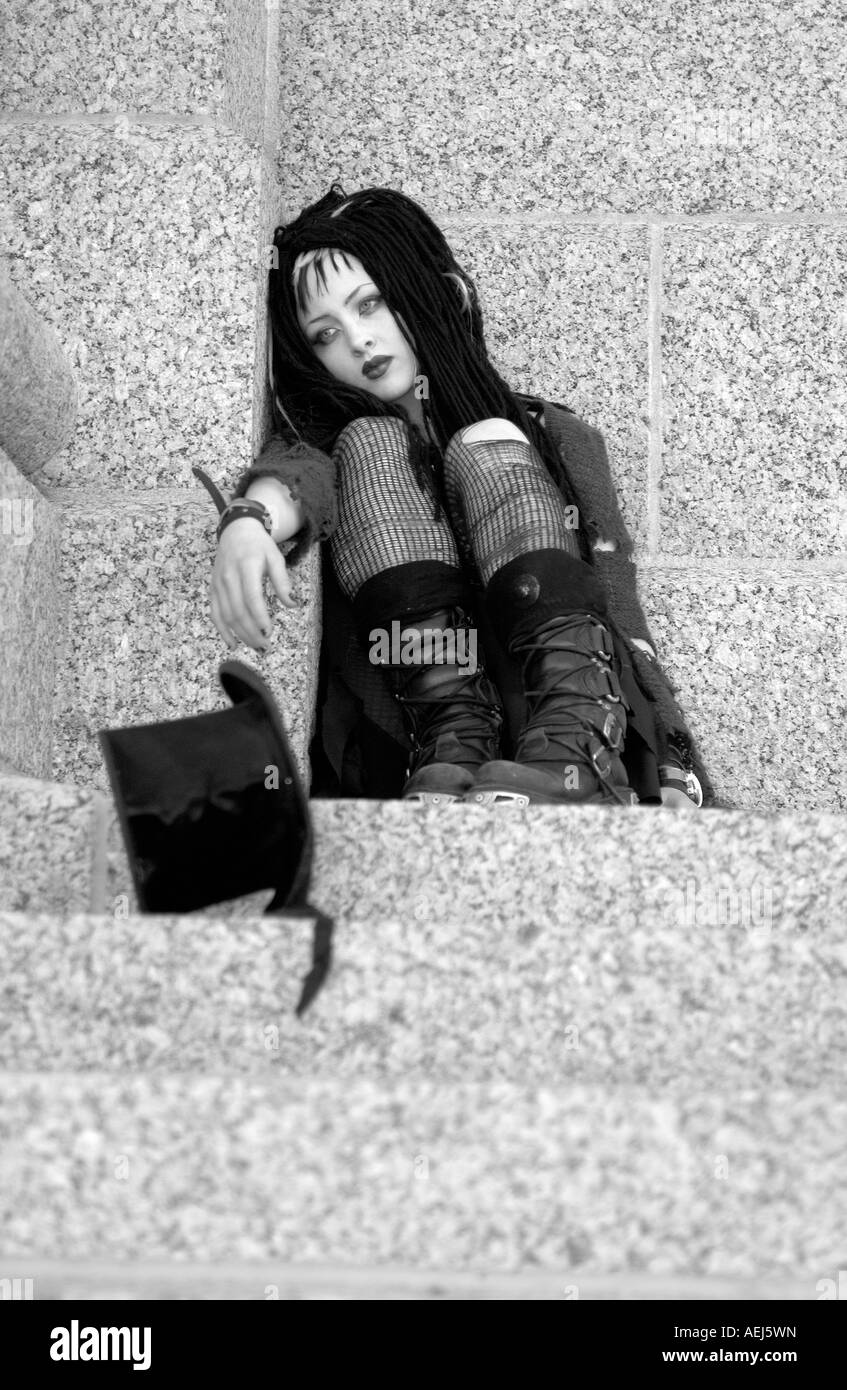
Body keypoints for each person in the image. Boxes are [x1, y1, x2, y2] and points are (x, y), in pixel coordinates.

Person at [204, 184, 715, 811]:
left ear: (439, 290)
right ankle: (458, 741)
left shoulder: (554, 435)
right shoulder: (343, 447)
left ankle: (578, 749)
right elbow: (297, 474)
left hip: (575, 725)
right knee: (370, 441)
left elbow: (620, 607)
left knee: (488, 442)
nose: (357, 341)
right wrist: (250, 520)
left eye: (371, 304)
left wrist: (672, 755)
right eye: (325, 334)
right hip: (421, 753)